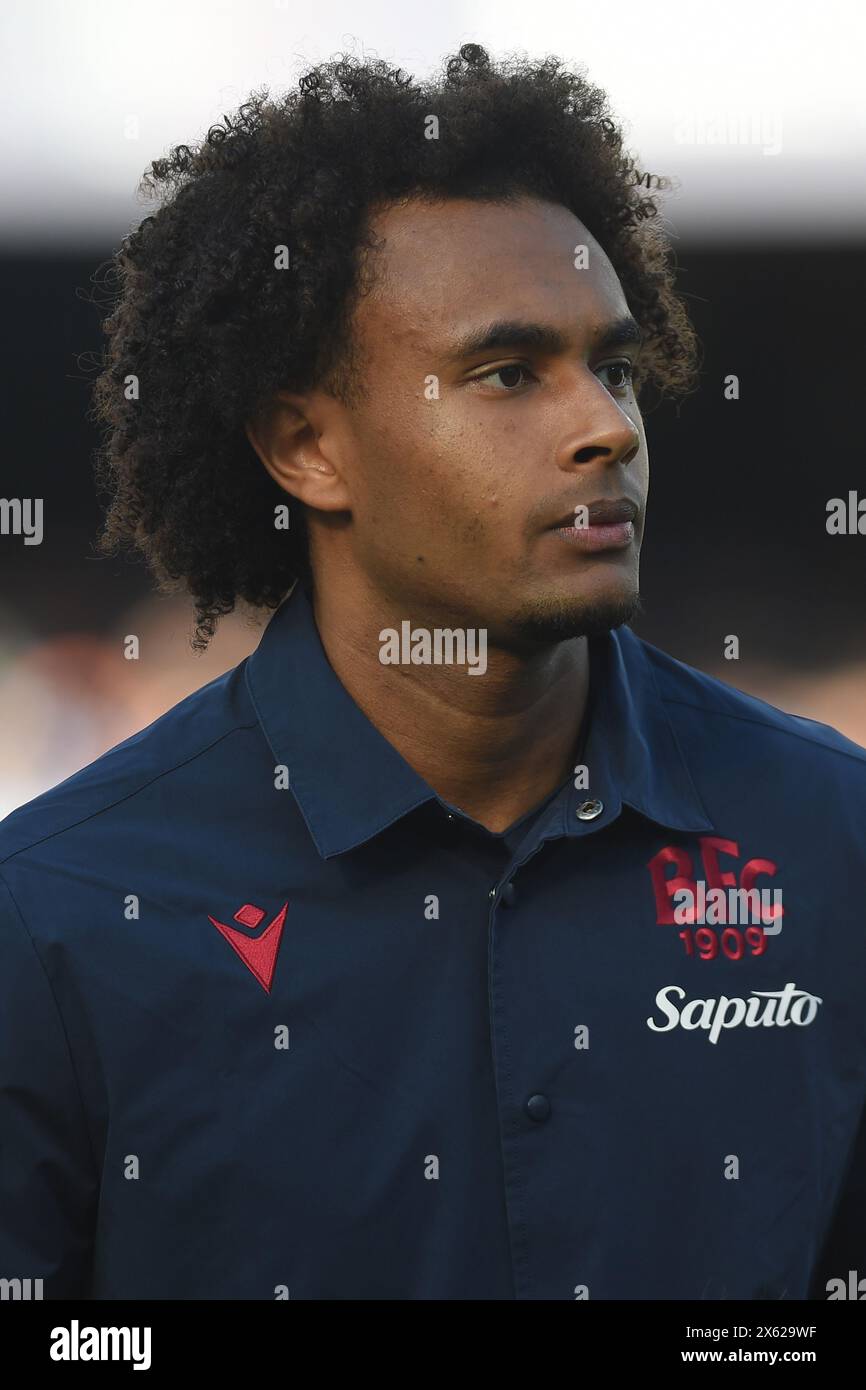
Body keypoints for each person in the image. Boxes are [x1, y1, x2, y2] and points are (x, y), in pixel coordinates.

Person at [1, 44, 864, 1301]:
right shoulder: (59, 916)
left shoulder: (831, 842)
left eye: (612, 367)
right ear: (307, 448)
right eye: (508, 373)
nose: (607, 426)